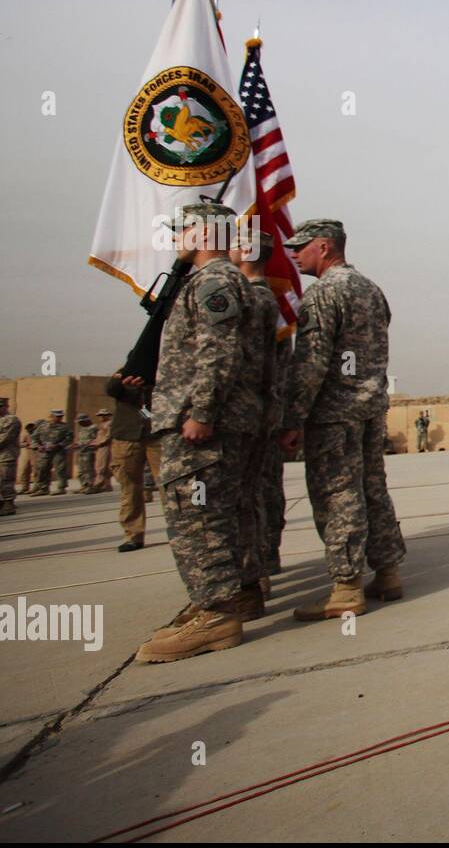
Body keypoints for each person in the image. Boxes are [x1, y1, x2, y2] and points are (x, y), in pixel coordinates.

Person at [135, 203, 266, 663]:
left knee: (199, 517)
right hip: (212, 418)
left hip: (205, 423)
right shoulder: (214, 281)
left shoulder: (215, 281)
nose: (177, 236)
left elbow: (217, 352)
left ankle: (216, 615)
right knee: (209, 512)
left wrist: (202, 412)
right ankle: (210, 602)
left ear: (205, 232)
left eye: (184, 228)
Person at [280, 218, 406, 620]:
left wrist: (293, 417)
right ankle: (388, 573)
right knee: (372, 488)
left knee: (338, 495)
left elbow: (312, 363)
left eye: (300, 247)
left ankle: (346, 587)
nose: (294, 255)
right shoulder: (370, 290)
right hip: (370, 407)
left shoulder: (322, 294)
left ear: (324, 247)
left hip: (335, 412)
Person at [230, 233, 283, 600]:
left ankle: (252, 576)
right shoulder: (271, 301)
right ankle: (263, 563)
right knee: (263, 489)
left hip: (246, 418)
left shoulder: (254, 301)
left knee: (247, 497)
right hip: (265, 415)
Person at [106, 373, 162, 551]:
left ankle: (182, 530)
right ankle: (133, 535)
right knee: (129, 487)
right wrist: (119, 377)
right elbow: (111, 389)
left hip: (158, 434)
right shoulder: (125, 375)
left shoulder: (166, 369)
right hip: (126, 435)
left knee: (169, 484)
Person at [30, 409, 72, 496]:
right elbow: (34, 437)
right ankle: (43, 488)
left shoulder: (65, 427)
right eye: (57, 416)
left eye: (61, 416)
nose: (60, 418)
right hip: (45, 451)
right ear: (52, 416)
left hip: (58, 451)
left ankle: (61, 487)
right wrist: (38, 446)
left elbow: (69, 438)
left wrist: (59, 445)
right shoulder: (43, 426)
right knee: (43, 469)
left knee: (60, 469)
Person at [0, 396, 19, 516]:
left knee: (6, 480)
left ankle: (9, 505)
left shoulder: (11, 420)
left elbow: (5, 438)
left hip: (7, 456)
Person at [74, 414, 98, 493]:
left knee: (88, 470)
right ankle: (84, 485)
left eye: (81, 422)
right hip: (81, 451)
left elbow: (95, 440)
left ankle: (90, 486)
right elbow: (81, 439)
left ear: (86, 420)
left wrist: (85, 444)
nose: (80, 424)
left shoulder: (94, 428)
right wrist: (77, 444)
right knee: (81, 470)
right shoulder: (82, 429)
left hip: (89, 452)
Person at [92, 409, 114, 492]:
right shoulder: (101, 424)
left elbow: (109, 436)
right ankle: (106, 485)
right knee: (100, 465)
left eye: (103, 415)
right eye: (100, 415)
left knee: (102, 465)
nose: (101, 417)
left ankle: (99, 484)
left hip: (105, 446)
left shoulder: (109, 424)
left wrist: (100, 443)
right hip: (100, 446)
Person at [15, 421, 38, 494]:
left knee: (36, 471)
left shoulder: (38, 434)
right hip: (27, 452)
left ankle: (36, 487)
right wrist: (27, 444)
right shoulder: (26, 435)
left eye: (31, 429)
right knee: (24, 470)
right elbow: (20, 444)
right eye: (28, 429)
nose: (29, 430)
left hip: (36, 453)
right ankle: (25, 487)